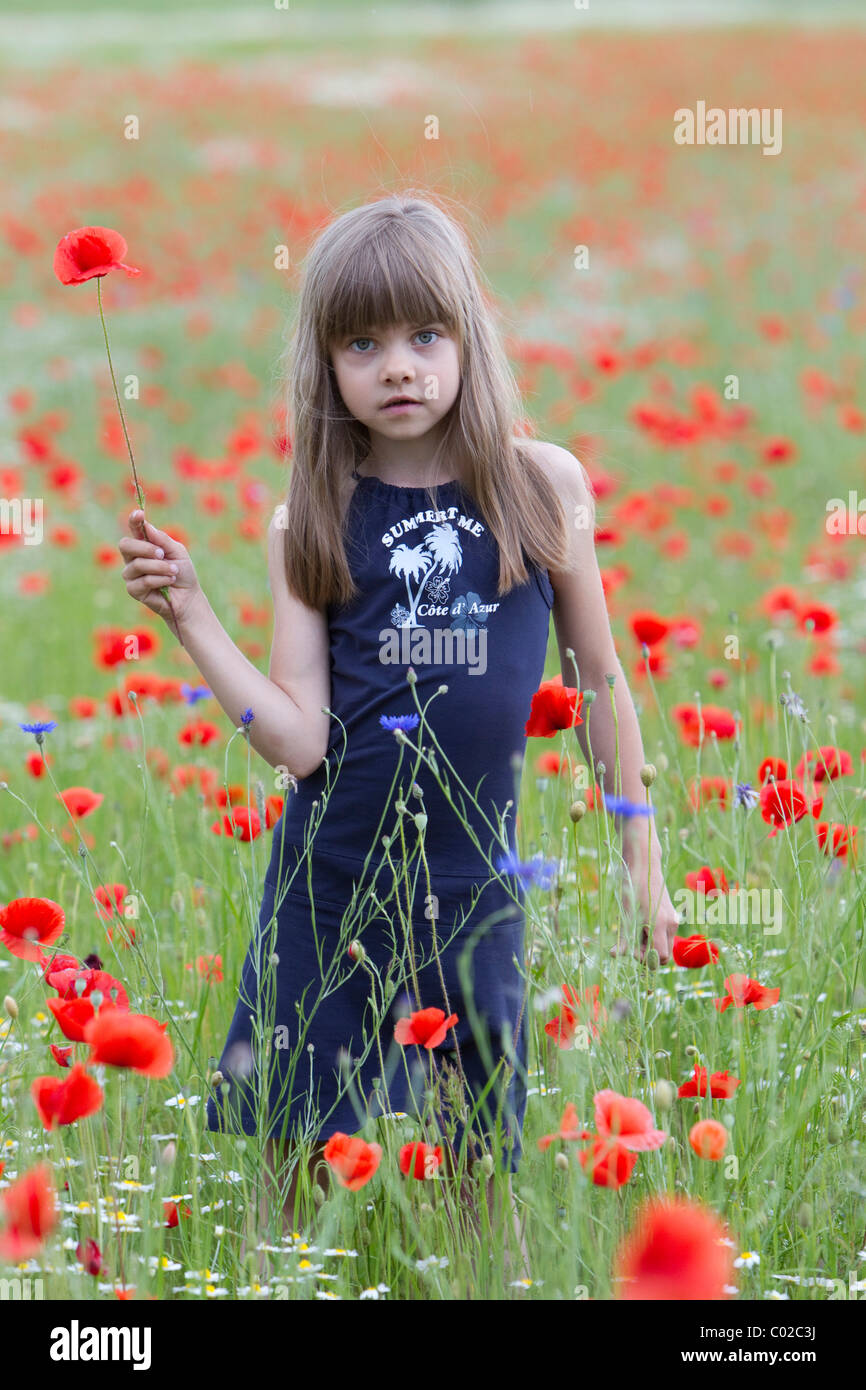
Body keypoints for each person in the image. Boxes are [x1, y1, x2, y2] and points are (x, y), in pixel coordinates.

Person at [118, 191, 679, 1281]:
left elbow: (600, 682)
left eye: (426, 336)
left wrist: (642, 871)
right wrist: (191, 615)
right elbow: (295, 739)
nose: (400, 367)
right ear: (324, 365)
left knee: (479, 1166)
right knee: (292, 1159)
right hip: (328, 887)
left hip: (475, 889)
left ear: (469, 336)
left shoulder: (538, 486)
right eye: (363, 343)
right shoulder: (312, 517)